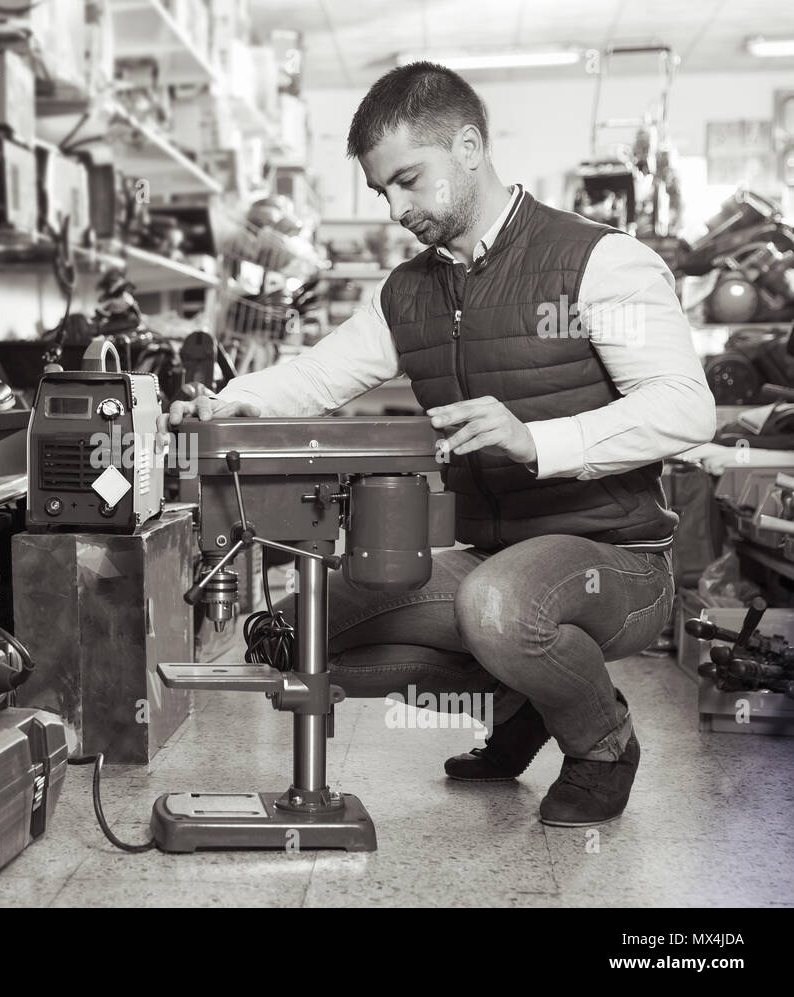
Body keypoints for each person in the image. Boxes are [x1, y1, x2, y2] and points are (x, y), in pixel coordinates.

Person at [159, 62, 716, 827]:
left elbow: (689, 408)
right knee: (294, 627)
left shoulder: (598, 261)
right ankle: (530, 699)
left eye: (408, 181)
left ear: (468, 144)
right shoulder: (409, 292)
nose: (395, 208)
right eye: (382, 191)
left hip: (617, 560)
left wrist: (538, 439)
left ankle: (601, 740)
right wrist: (220, 405)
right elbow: (319, 376)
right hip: (490, 555)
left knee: (498, 606)